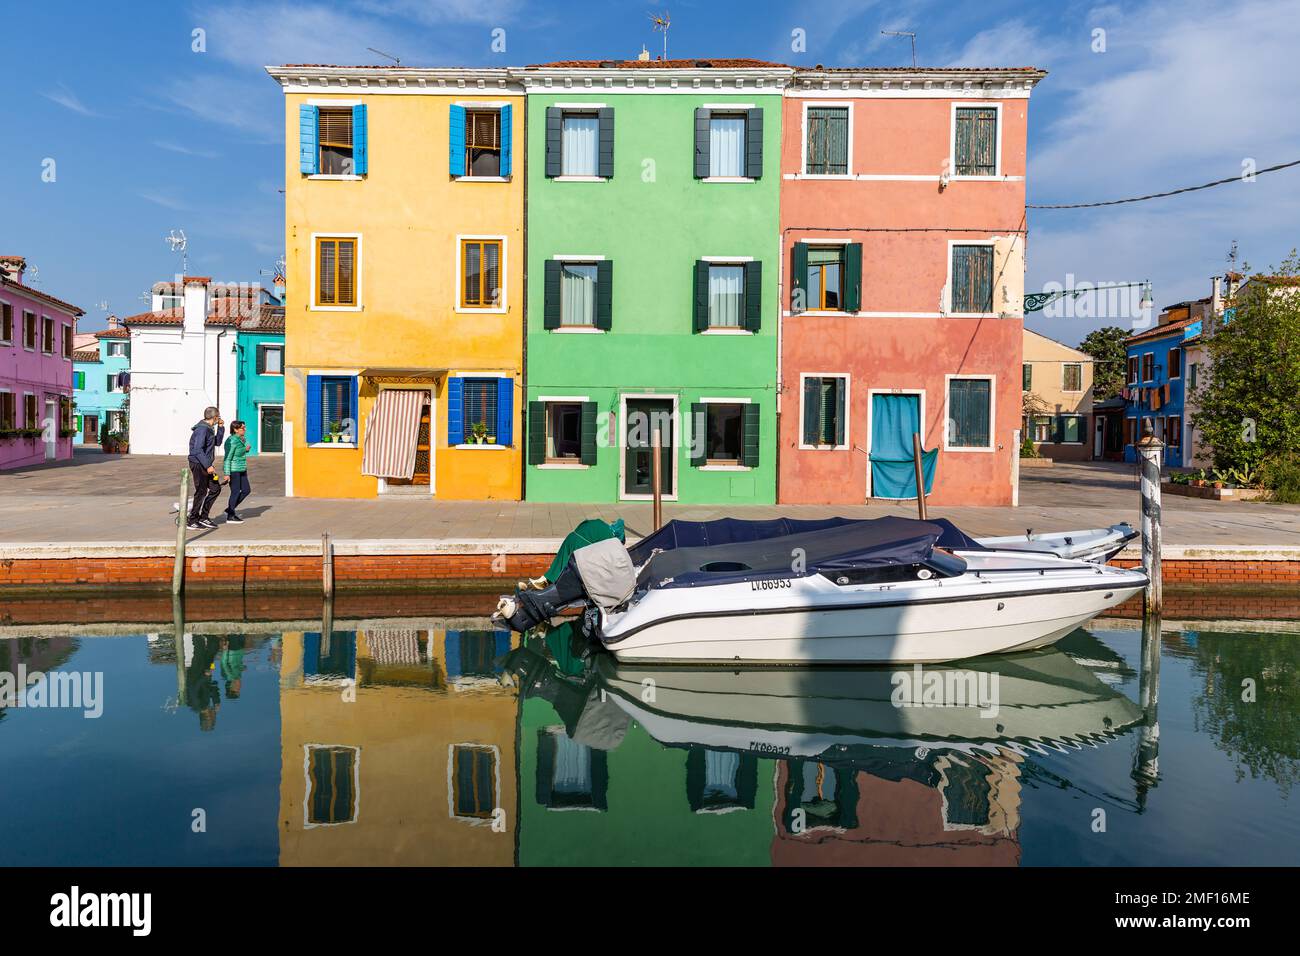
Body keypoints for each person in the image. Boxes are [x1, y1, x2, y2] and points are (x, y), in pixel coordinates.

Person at [186, 406, 226, 530]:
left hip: (205, 463)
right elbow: (197, 450)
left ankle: (203, 517)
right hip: (199, 464)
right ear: (214, 417)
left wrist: (220, 428)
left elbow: (217, 442)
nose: (218, 419)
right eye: (218, 417)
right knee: (201, 491)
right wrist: (208, 465)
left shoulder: (209, 429)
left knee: (215, 489)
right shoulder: (202, 429)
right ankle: (192, 519)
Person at [222, 420, 251, 523]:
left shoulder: (241, 439)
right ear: (235, 429)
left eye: (244, 427)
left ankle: (229, 509)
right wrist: (226, 473)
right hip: (234, 469)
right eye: (242, 428)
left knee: (246, 490)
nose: (245, 429)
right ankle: (230, 516)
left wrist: (246, 448)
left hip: (242, 468)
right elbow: (227, 458)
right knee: (235, 491)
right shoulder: (232, 441)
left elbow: (242, 450)